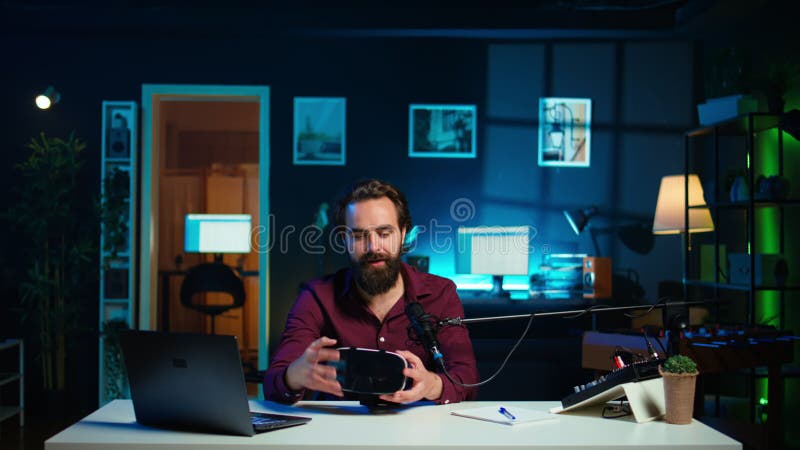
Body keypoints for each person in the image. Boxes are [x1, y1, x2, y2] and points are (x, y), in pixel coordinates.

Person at [263, 179, 478, 405]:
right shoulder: (316, 296)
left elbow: (467, 380)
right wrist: (293, 376)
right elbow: (273, 384)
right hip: (339, 432)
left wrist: (432, 385)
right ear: (342, 239)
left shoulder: (440, 293)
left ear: (403, 233)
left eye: (384, 233)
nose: (373, 247)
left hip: (420, 433)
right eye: (358, 236)